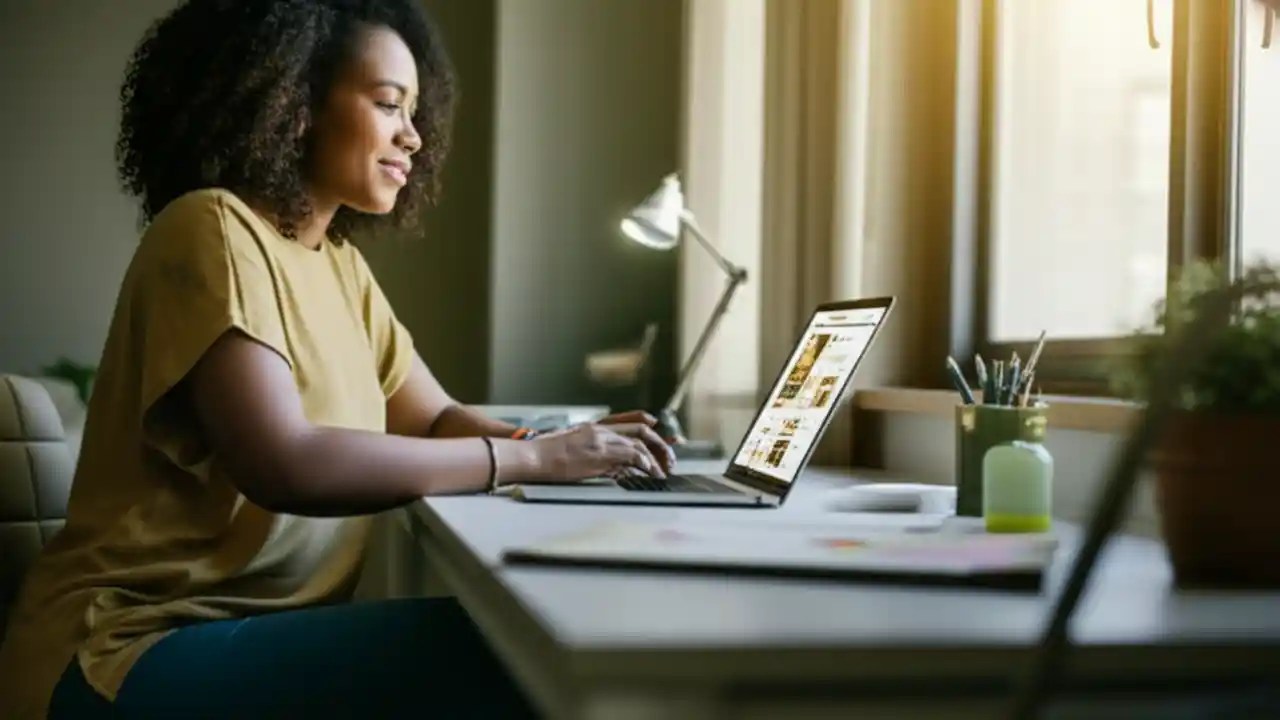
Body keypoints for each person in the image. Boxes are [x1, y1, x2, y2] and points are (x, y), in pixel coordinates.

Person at [0, 1, 674, 717]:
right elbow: (284, 461)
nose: (413, 135)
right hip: (121, 653)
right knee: (515, 651)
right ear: (295, 103)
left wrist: (563, 449)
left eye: (414, 111)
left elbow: (434, 417)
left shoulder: (339, 266)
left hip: (224, 639)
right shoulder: (212, 228)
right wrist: (531, 460)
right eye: (388, 104)